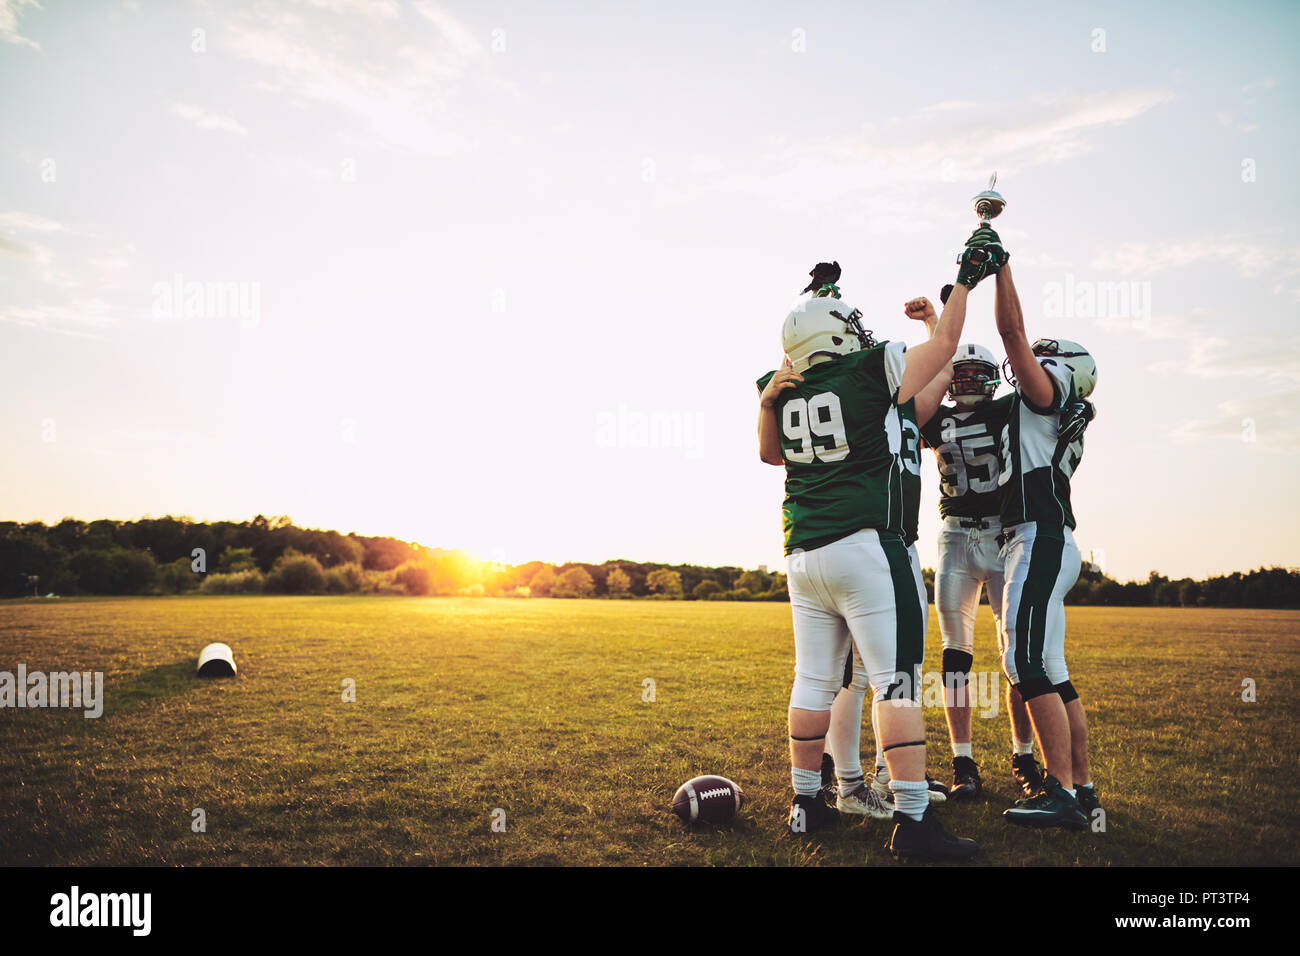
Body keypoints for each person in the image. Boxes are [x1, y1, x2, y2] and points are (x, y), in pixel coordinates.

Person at [755, 238, 1001, 860]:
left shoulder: (787, 386)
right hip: (869, 544)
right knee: (897, 683)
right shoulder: (865, 374)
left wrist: (769, 396)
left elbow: (769, 453)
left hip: (804, 553)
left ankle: (807, 802)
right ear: (838, 334)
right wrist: (966, 282)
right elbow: (943, 353)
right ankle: (914, 822)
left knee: (813, 680)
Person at [984, 237, 1100, 830]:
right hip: (1041, 538)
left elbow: (1011, 337)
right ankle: (1081, 789)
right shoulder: (1056, 407)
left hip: (1040, 537)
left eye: (1046, 357)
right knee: (1049, 667)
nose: (1032, 361)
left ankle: (1062, 796)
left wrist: (1001, 268)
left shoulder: (1049, 395)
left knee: (1023, 660)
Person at [916, 284, 1040, 800]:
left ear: (993, 381)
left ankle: (1024, 754)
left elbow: (1048, 390)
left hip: (1008, 537)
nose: (964, 380)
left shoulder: (1011, 409)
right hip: (956, 541)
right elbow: (933, 365)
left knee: (1018, 653)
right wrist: (933, 326)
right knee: (956, 655)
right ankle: (964, 763)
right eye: (958, 374)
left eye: (975, 374)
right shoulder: (934, 416)